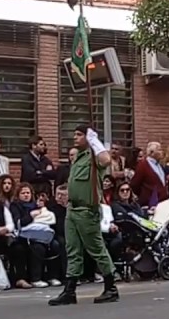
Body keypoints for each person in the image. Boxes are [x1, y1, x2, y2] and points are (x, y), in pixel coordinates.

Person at [48, 126, 119, 306]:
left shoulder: (93, 156)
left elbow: (106, 160)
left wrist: (95, 141)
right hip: (72, 209)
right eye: (74, 134)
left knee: (96, 249)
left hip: (87, 210)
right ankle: (69, 291)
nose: (75, 138)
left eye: (79, 135)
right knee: (72, 250)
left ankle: (111, 287)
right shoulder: (78, 157)